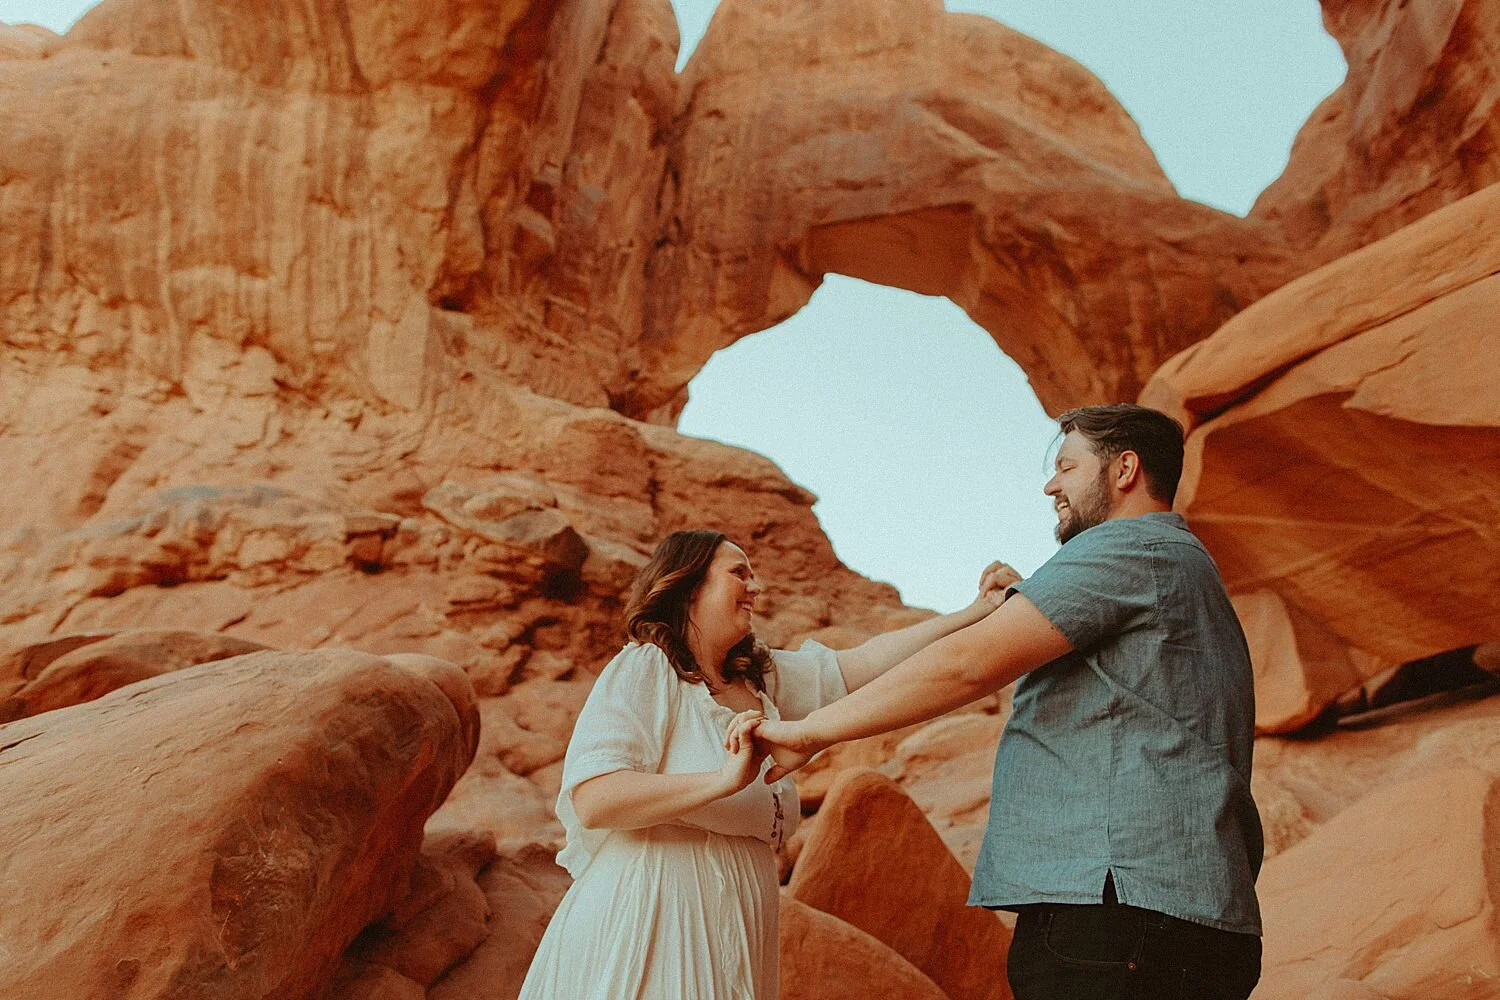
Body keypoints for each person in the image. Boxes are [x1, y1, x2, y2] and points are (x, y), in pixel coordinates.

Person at [755, 404, 1264, 1000]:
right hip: (1187, 914)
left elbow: (964, 666)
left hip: (1115, 911)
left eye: (1067, 467)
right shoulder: (1181, 566)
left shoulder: (1128, 548)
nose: (1051, 484)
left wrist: (810, 732)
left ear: (1124, 470)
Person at [517, 529, 1017, 1000]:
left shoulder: (761, 681)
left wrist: (977, 612)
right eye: (739, 573)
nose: (756, 586)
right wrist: (721, 780)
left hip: (737, 924)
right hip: (656, 914)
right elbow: (596, 797)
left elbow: (862, 664)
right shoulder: (649, 667)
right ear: (690, 587)